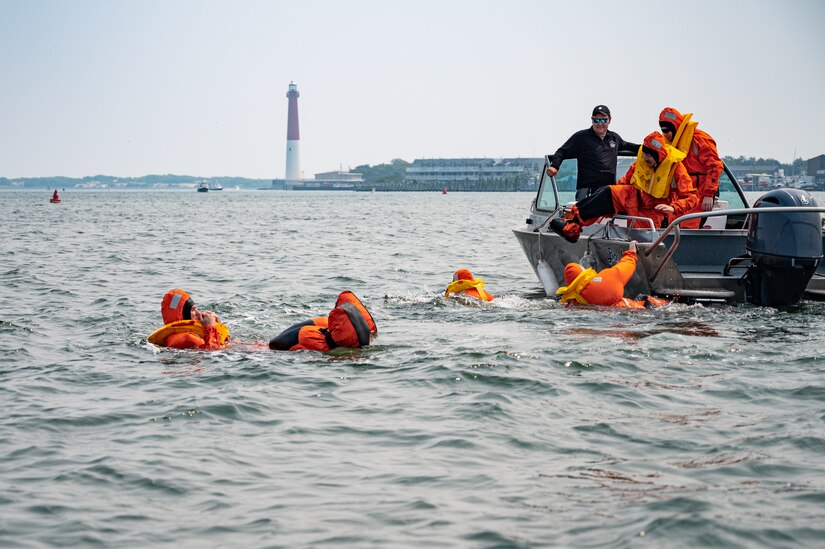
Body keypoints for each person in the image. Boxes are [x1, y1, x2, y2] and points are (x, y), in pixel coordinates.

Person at [549, 131, 699, 243]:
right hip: (633, 196)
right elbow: (625, 181)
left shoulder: (675, 169)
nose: (645, 158)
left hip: (653, 209)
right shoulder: (641, 162)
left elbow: (692, 197)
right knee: (607, 192)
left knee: (640, 240)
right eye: (644, 154)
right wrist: (612, 201)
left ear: (659, 155)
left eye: (649, 156)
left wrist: (674, 208)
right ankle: (571, 227)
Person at [546, 105, 640, 200]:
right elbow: (562, 151)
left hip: (609, 190)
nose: (600, 124)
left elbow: (630, 146)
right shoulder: (581, 137)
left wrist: (650, 148)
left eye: (603, 120)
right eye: (596, 120)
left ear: (609, 120)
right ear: (592, 120)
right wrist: (554, 166)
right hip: (587, 190)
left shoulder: (614, 138)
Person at [658, 107, 724, 228]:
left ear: (675, 127)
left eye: (667, 130)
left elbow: (715, 166)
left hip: (700, 193)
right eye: (662, 130)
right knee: (674, 227)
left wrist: (709, 195)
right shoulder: (670, 141)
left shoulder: (700, 139)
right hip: (680, 194)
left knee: (689, 227)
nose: (665, 134)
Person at [556, 241, 669, 308]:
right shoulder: (605, 280)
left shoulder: (572, 302)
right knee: (650, 301)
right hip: (638, 313)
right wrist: (631, 252)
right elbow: (625, 267)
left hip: (609, 321)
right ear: (583, 273)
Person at [269, 291, 376, 351]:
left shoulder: (359, 335)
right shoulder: (366, 336)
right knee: (271, 346)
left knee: (270, 346)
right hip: (314, 333)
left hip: (318, 330)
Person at [147, 289, 231, 350]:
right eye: (193, 310)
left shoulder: (174, 335)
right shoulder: (187, 338)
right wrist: (211, 327)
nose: (198, 313)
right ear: (182, 314)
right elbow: (213, 353)